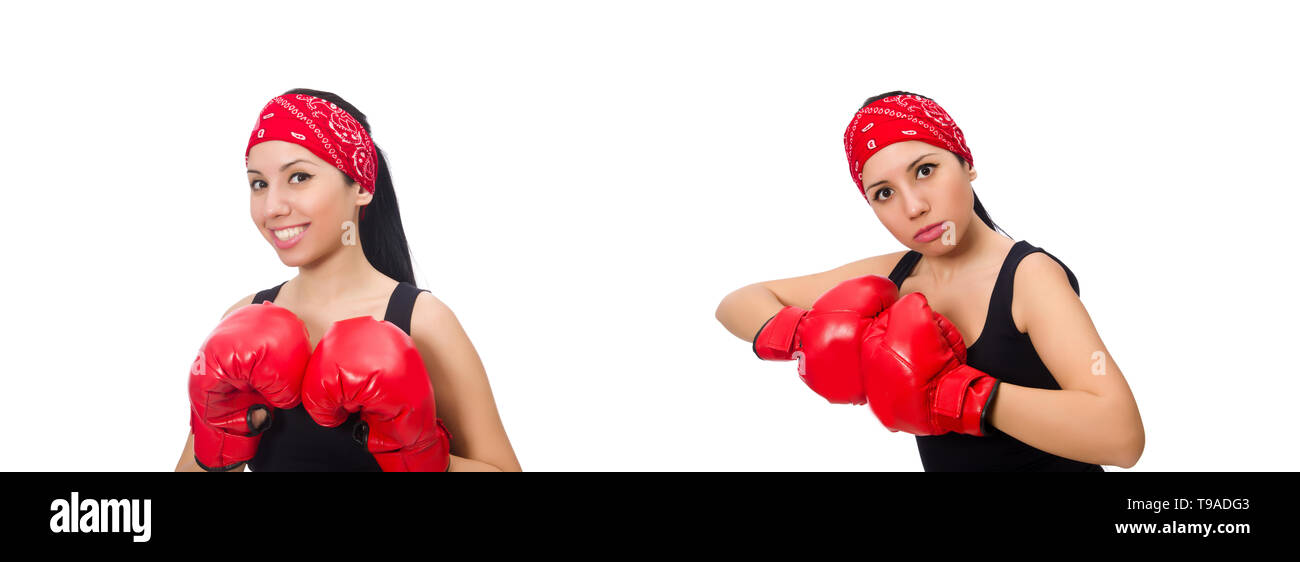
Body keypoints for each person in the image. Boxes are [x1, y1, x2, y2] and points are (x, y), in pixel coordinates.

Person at [715, 91, 1144, 471]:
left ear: (966, 163)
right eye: (884, 193)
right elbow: (738, 302)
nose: (914, 206)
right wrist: (806, 334)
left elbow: (1122, 439)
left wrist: (958, 395)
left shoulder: (1029, 278)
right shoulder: (897, 276)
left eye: (925, 170)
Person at [177, 89, 521, 472]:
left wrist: (420, 454)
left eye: (299, 177)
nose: (272, 207)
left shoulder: (422, 321)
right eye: (259, 184)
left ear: (360, 186)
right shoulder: (243, 316)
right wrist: (219, 434)